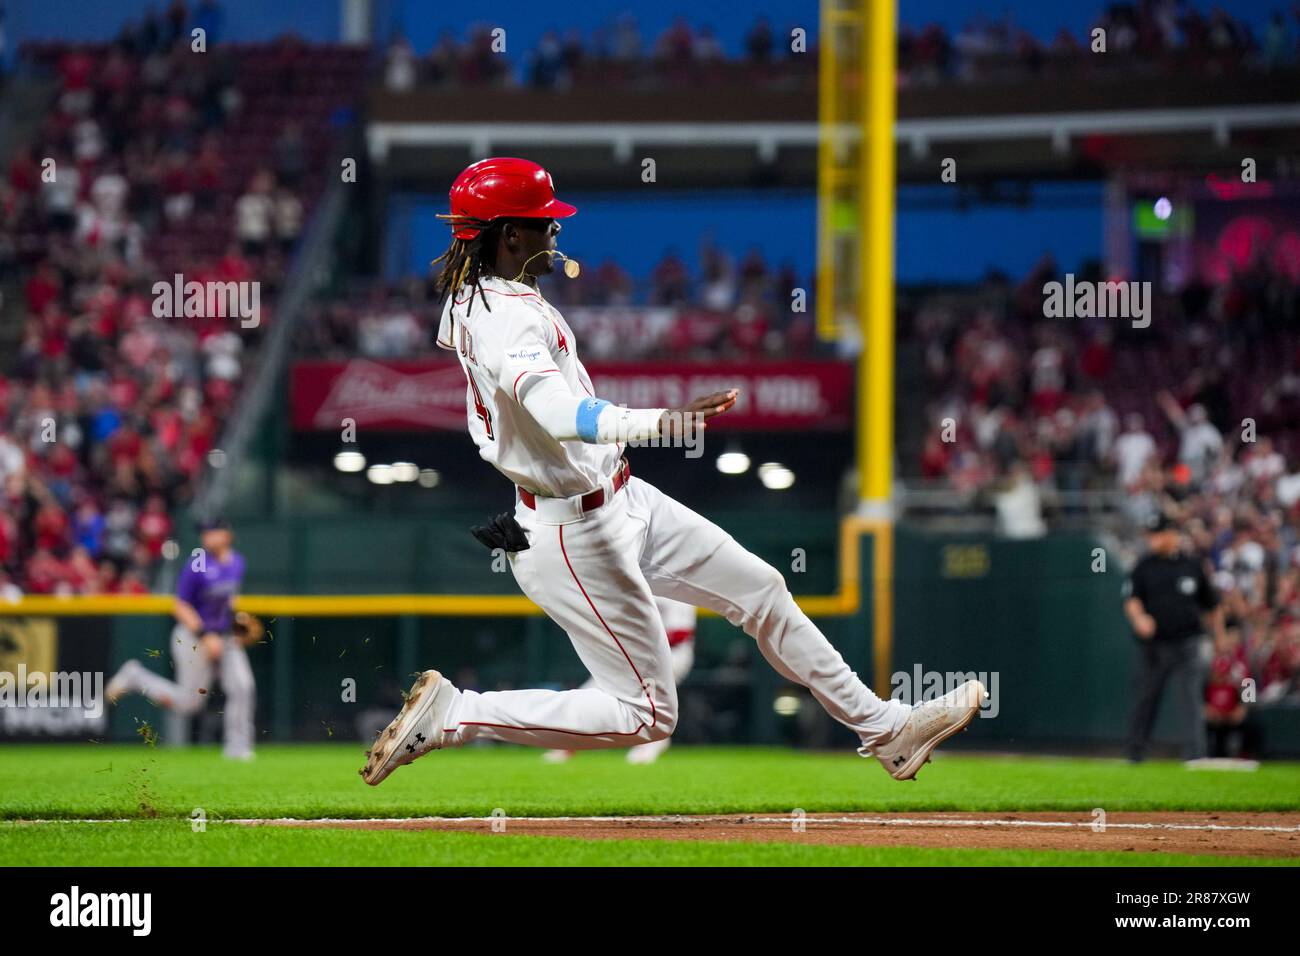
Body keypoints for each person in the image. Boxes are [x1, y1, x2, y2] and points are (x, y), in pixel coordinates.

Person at [360, 157, 985, 786]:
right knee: (649, 714)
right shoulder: (507, 315)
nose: (556, 233)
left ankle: (886, 731)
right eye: (543, 223)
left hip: (620, 499)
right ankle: (458, 715)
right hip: (573, 529)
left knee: (762, 591)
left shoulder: (476, 297)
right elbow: (553, 409)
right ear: (508, 235)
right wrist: (660, 421)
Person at [106, 518, 259, 760]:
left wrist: (234, 623)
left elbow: (228, 601)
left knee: (242, 686)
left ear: (226, 534)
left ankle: (238, 747)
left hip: (224, 637)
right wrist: (205, 635)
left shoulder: (237, 562)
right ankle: (136, 678)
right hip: (193, 637)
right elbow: (180, 606)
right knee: (189, 704)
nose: (207, 537)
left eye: (212, 531)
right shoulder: (198, 563)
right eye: (204, 533)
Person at [543, 596, 696, 765]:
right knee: (591, 690)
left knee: (647, 696)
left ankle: (653, 741)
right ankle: (568, 744)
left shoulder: (675, 593)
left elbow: (680, 634)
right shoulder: (633, 580)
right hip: (632, 655)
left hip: (671, 657)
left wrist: (635, 642)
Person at [1123, 512, 1224, 763]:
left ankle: (1195, 755)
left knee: (1191, 699)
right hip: (1155, 646)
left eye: (1157, 534)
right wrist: (1139, 618)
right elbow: (1131, 599)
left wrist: (1219, 637)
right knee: (1147, 698)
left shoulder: (1192, 565)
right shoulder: (1144, 565)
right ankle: (1136, 753)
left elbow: (1213, 605)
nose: (1152, 540)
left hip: (1189, 642)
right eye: (1150, 535)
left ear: (1171, 535)